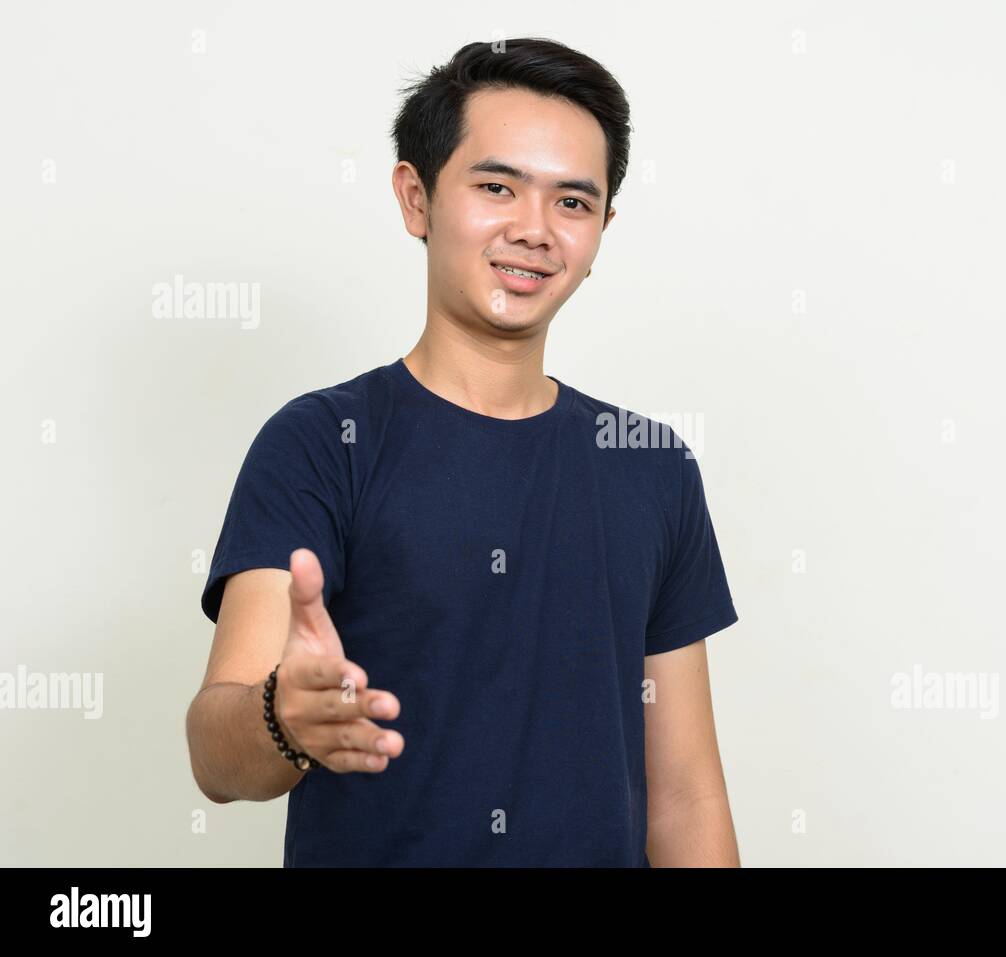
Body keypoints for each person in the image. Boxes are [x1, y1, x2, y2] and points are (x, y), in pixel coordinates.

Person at [184, 37, 741, 867]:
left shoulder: (651, 466)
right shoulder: (319, 443)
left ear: (602, 230)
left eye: (573, 203)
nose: (534, 230)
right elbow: (216, 756)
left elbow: (687, 796)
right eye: (495, 187)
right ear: (417, 198)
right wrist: (282, 715)